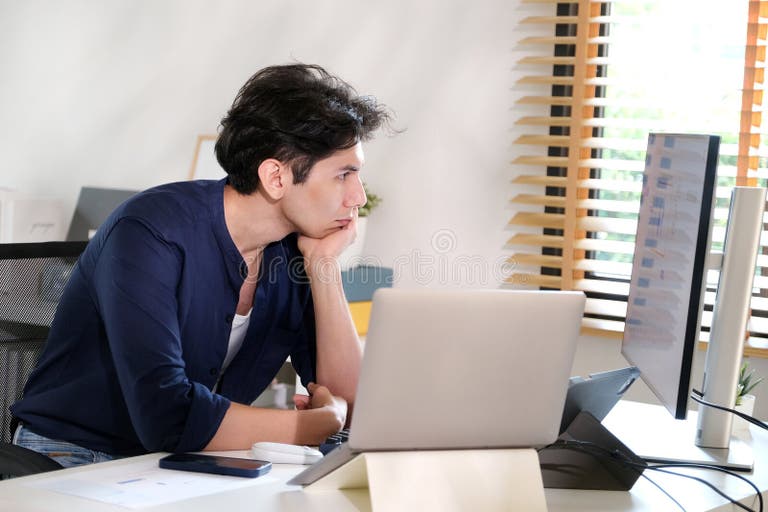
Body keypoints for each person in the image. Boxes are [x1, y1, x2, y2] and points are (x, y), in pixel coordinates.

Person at [10, 63, 391, 467]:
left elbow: (350, 405)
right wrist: (313, 425)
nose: (358, 196)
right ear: (275, 177)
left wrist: (323, 266)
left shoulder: (294, 252)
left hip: (182, 463)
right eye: (344, 175)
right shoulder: (150, 232)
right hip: (71, 457)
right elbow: (167, 415)